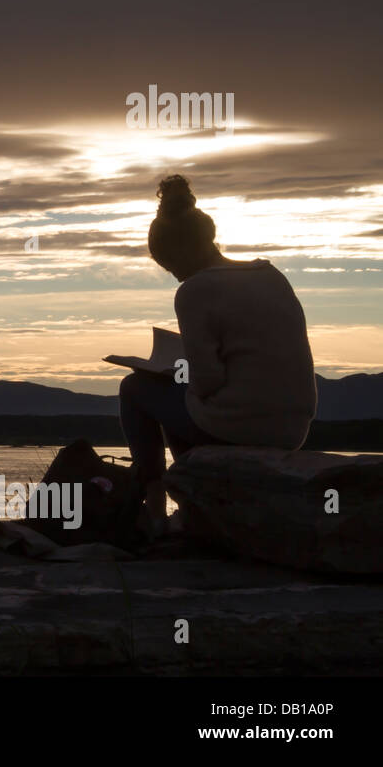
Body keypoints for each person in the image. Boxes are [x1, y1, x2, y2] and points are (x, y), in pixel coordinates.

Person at [120, 175, 317, 538]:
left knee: (134, 388)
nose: (175, 277)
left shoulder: (195, 290)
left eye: (170, 266)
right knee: (181, 400)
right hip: (292, 428)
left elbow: (209, 380)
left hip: (239, 425)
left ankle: (155, 512)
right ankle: (195, 504)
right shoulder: (271, 275)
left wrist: (173, 373)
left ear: (179, 254)